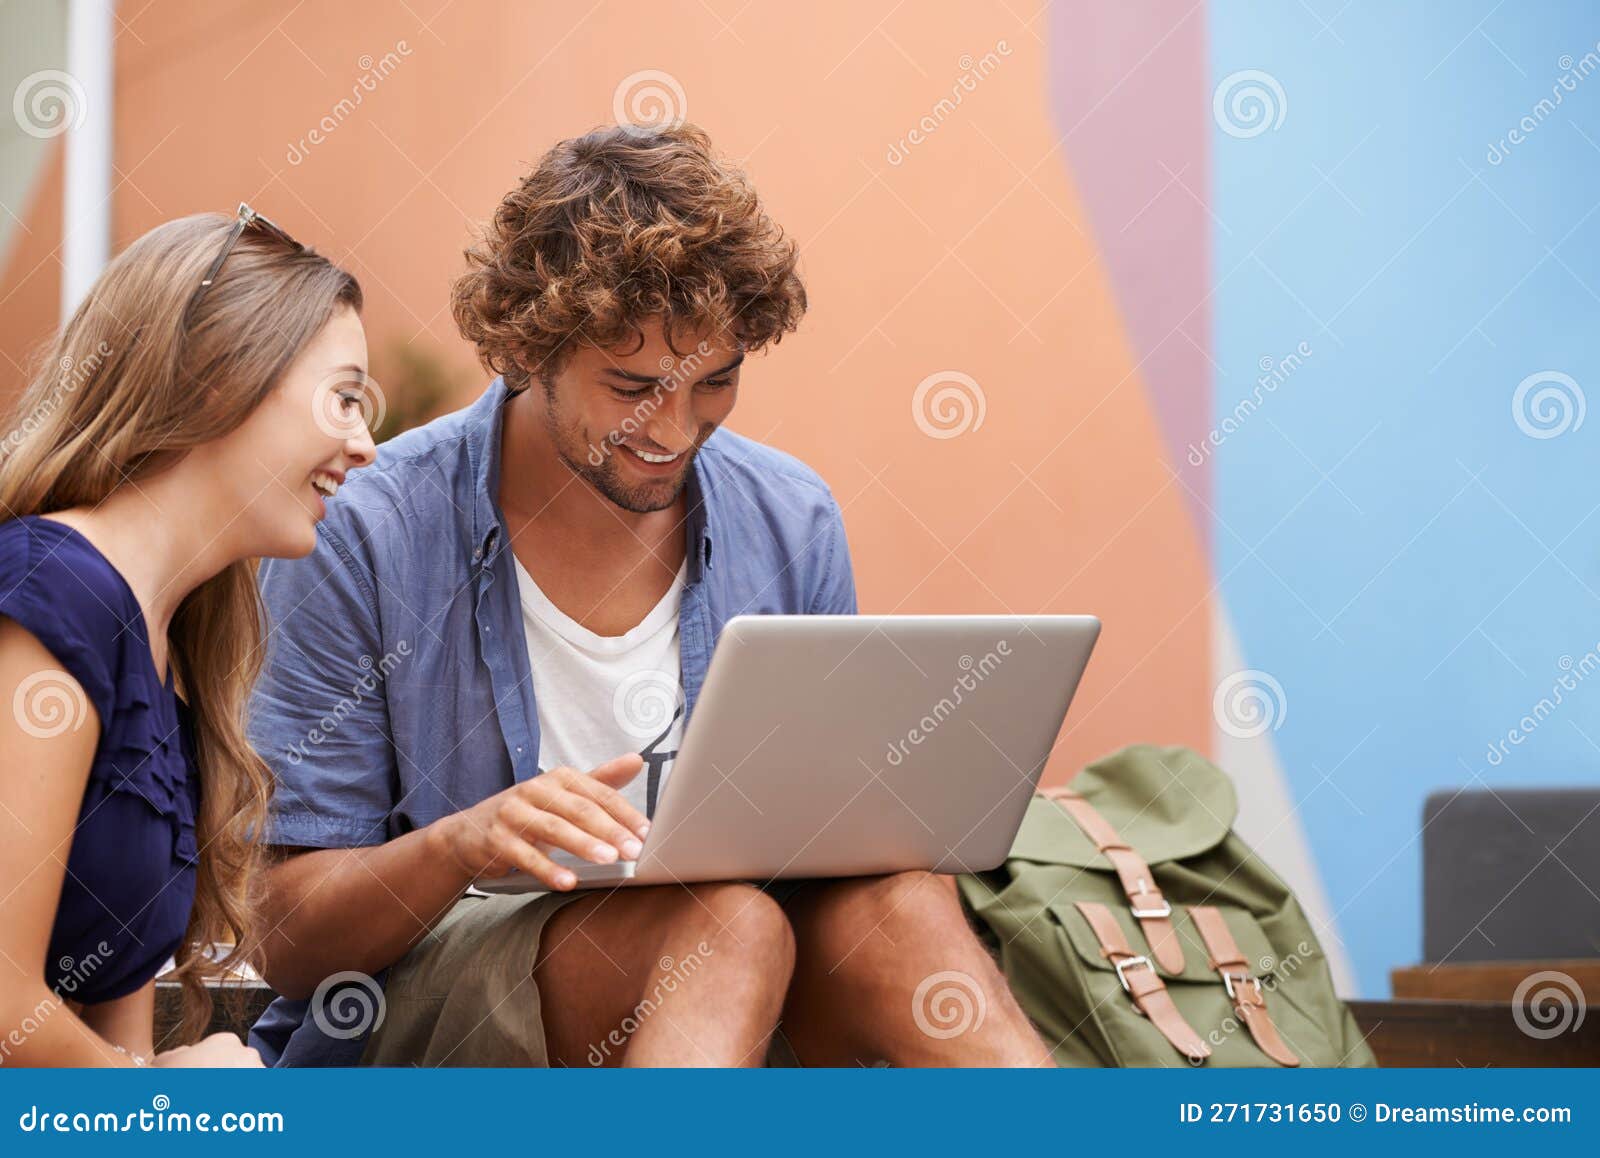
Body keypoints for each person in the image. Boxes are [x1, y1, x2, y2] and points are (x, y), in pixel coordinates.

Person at [248, 124, 1052, 1067]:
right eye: (632, 384)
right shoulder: (367, 532)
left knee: (903, 902)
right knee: (727, 926)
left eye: (717, 381)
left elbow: (844, 848)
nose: (673, 428)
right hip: (428, 1008)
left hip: (742, 984)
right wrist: (463, 844)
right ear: (528, 346)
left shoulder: (792, 520)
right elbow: (286, 940)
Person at [0, 206, 377, 1066]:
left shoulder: (165, 645)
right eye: (344, 397)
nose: (365, 444)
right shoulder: (49, 591)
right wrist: (165, 1099)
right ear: (220, 377)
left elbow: (111, 1026)